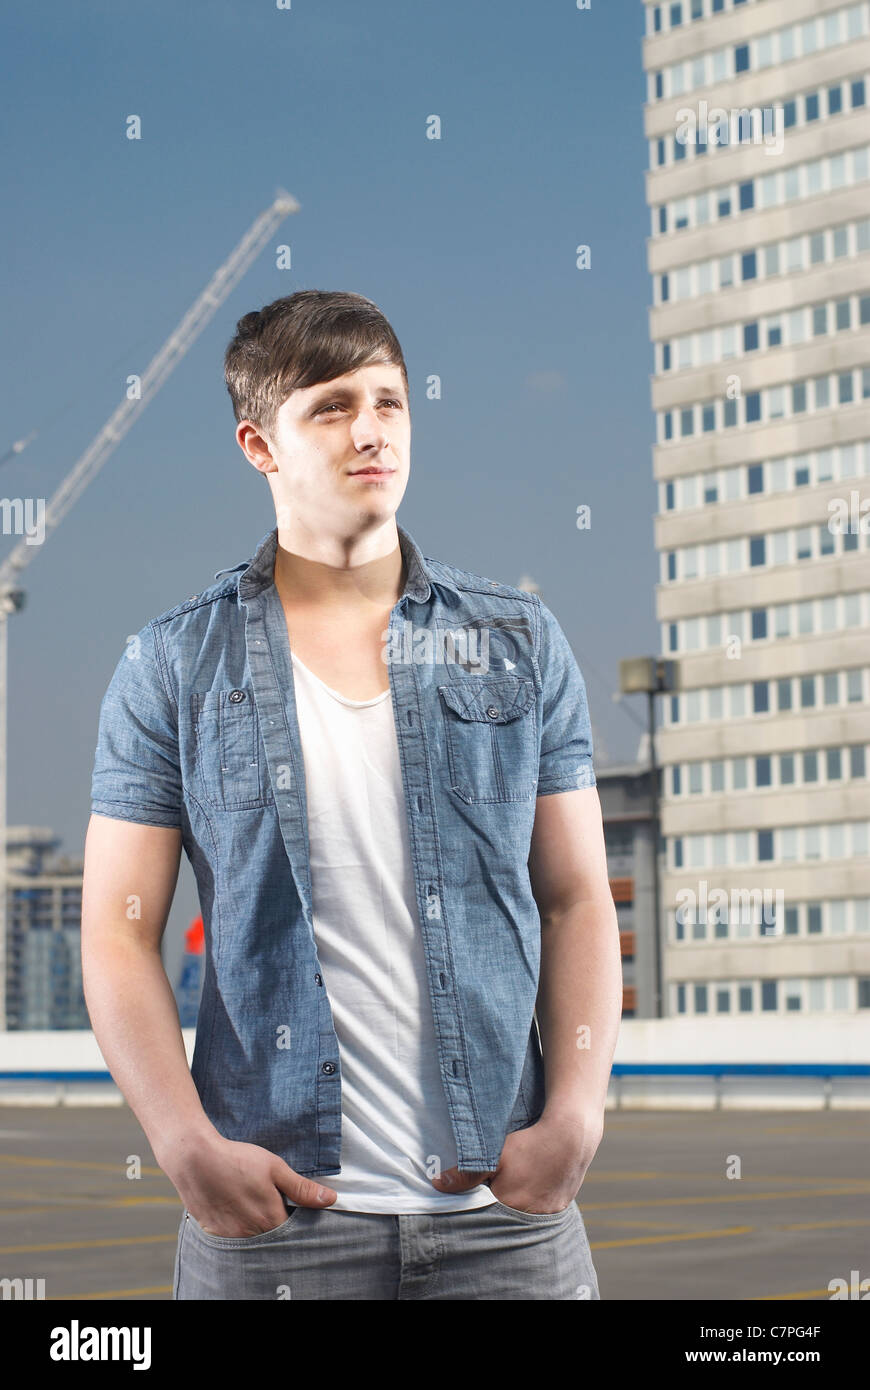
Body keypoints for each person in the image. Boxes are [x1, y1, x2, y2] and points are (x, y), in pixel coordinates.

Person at [82, 289, 622, 1301]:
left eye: (389, 400)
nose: (370, 428)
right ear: (260, 444)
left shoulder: (518, 642)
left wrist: (579, 1112)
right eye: (331, 406)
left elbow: (577, 896)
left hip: (506, 1224)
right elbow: (119, 929)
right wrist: (184, 1144)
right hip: (274, 1219)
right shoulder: (172, 664)